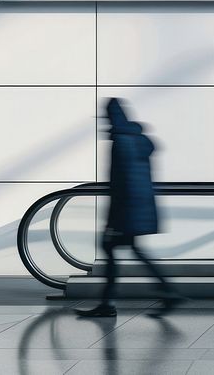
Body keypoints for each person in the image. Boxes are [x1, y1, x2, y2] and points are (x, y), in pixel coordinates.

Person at [77, 98, 181, 318]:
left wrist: (111, 220)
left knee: (110, 247)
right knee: (130, 249)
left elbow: (120, 183)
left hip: (127, 209)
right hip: (140, 206)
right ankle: (166, 292)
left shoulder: (120, 141)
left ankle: (110, 303)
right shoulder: (139, 139)